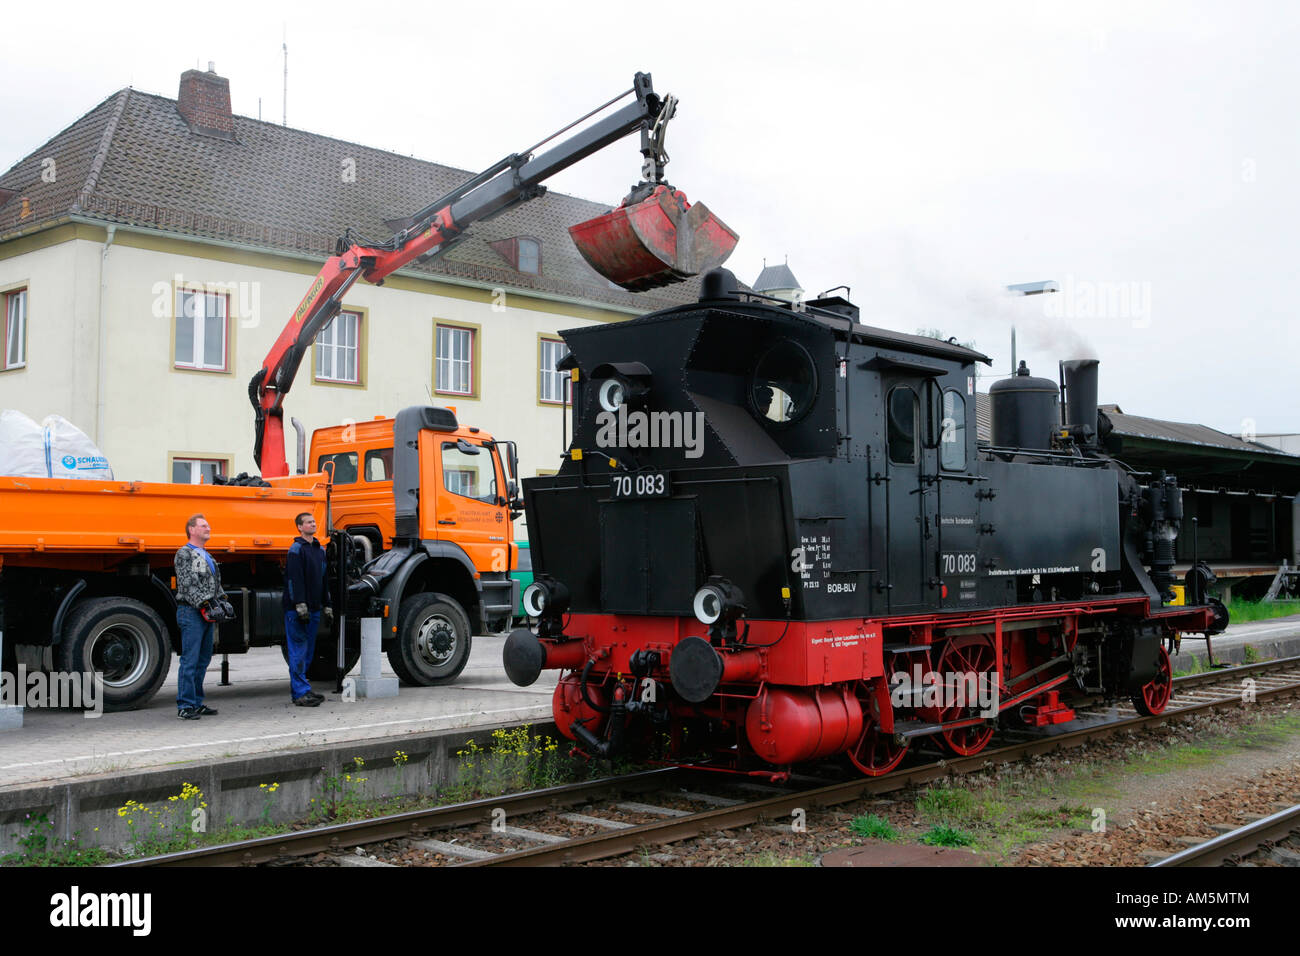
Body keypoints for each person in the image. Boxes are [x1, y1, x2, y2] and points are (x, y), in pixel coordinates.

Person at [174, 513, 224, 720]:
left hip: (204, 613)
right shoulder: (185, 553)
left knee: (203, 659)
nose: (208, 528)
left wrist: (222, 600)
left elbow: (212, 584)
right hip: (191, 612)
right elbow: (187, 585)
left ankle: (196, 702)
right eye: (203, 525)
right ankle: (185, 705)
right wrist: (206, 604)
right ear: (192, 530)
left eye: (208, 525)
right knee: (190, 660)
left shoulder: (206, 555)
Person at [284, 512, 332, 706]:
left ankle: (302, 689)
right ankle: (300, 693)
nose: (313, 524)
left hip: (314, 608)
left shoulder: (319, 550)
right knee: (298, 650)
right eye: (308, 522)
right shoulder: (296, 549)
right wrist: (299, 604)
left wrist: (327, 604)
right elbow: (293, 579)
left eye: (313, 522)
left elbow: (324, 579)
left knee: (308, 651)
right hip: (298, 610)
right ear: (299, 527)